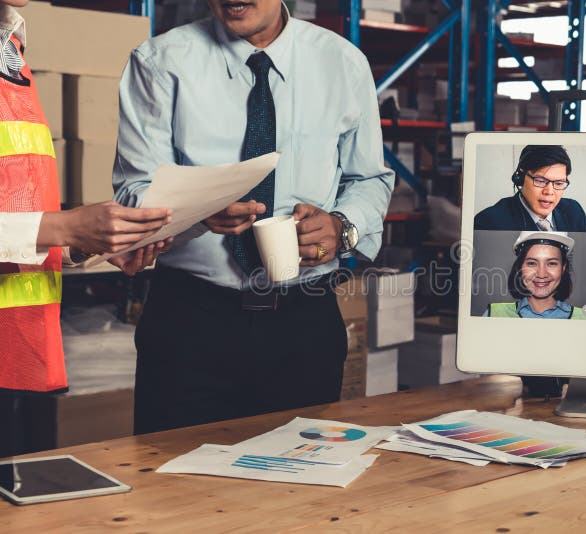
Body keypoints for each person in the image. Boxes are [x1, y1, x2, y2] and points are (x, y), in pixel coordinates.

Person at [112, 0, 394, 434]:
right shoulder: (159, 62)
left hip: (304, 324)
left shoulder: (342, 63)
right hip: (189, 322)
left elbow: (369, 178)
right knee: (170, 474)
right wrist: (198, 210)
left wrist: (342, 226)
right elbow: (134, 192)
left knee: (297, 471)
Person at [0, 0, 171, 456]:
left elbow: (16, 201)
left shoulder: (10, 45)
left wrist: (85, 243)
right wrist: (67, 227)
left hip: (16, 349)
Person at [474, 145, 586, 232]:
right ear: (521, 177)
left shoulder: (574, 212)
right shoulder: (489, 223)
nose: (549, 192)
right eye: (540, 181)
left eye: (559, 183)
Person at [486, 231, 586, 319]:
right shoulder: (494, 314)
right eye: (532, 263)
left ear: (563, 268)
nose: (541, 274)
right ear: (520, 268)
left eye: (551, 263)